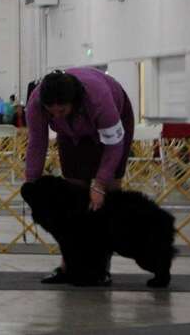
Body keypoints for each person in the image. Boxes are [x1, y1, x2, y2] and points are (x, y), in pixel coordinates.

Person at [25, 69, 135, 285]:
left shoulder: (99, 100)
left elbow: (113, 145)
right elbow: (37, 143)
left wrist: (100, 184)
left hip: (114, 124)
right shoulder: (36, 103)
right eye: (51, 112)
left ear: (73, 101)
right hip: (70, 133)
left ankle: (101, 269)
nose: (56, 116)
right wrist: (31, 185)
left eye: (62, 110)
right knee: (73, 199)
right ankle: (69, 268)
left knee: (106, 201)